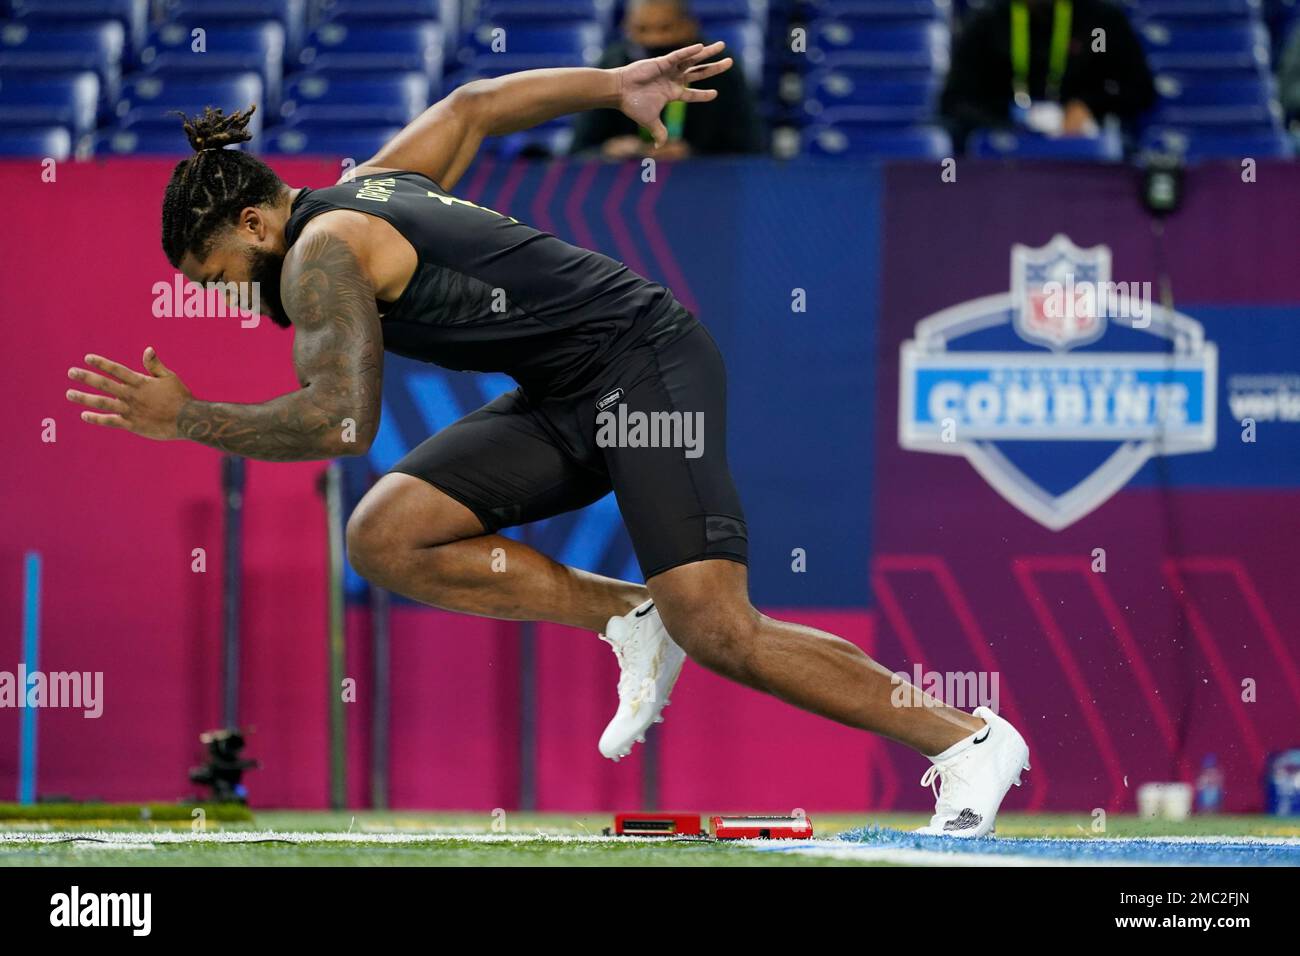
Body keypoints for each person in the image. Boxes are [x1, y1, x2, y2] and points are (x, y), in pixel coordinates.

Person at [65, 43, 1028, 836]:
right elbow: (475, 104)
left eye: (224, 274)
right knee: (386, 535)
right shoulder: (367, 187)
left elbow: (342, 418)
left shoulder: (319, 252)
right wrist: (615, 86)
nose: (233, 298)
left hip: (643, 364)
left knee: (720, 628)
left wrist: (185, 418)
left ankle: (966, 740)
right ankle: (625, 618)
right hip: (568, 392)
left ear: (254, 221)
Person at [940, 0, 1156, 150]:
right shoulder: (987, 22)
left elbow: (1139, 90)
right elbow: (955, 101)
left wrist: (1088, 107)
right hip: (1005, 151)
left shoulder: (1100, 22)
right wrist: (1009, 126)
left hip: (1081, 149)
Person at [569, 0, 763, 160]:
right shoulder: (611, 66)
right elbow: (578, 152)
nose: (654, 40)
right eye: (642, 29)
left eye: (665, 28)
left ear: (690, 27)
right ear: (626, 28)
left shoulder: (718, 68)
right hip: (625, 184)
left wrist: (692, 154)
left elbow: (749, 149)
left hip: (702, 184)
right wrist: (609, 151)